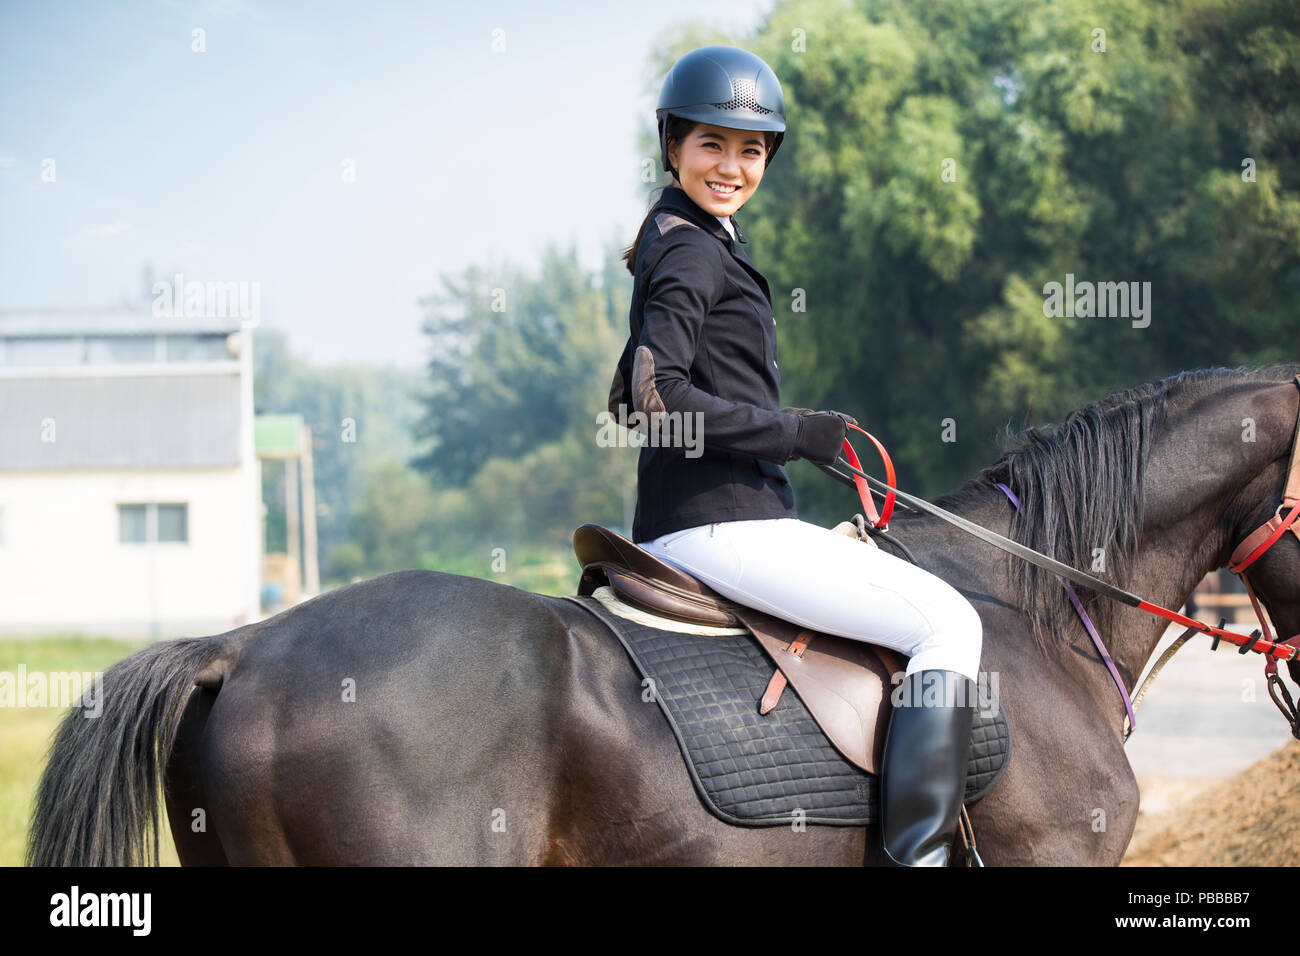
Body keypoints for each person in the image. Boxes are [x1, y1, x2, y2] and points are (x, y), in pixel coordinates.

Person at [606, 45, 984, 867]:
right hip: (721, 525)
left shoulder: (689, 236)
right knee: (948, 624)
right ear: (673, 145)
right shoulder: (693, 249)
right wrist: (794, 433)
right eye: (713, 144)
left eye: (751, 150)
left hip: (706, 519)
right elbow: (654, 399)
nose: (732, 166)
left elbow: (639, 390)